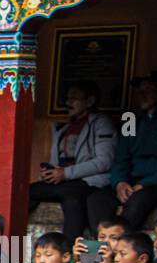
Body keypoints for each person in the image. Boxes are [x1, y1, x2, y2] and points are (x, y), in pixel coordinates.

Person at [27, 81, 117, 239]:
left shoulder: (101, 123)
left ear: (89, 101)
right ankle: (4, 239)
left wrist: (65, 173)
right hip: (65, 181)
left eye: (74, 98)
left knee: (73, 201)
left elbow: (104, 161)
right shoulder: (63, 128)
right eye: (67, 98)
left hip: (88, 181)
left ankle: (68, 250)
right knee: (26, 193)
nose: (68, 103)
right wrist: (50, 172)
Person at [109, 70, 157, 231]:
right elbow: (121, 157)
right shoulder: (131, 119)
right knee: (96, 199)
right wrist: (120, 182)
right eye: (140, 91)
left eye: (148, 90)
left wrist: (145, 183)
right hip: (130, 181)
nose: (142, 95)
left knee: (138, 201)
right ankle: (96, 253)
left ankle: (123, 249)